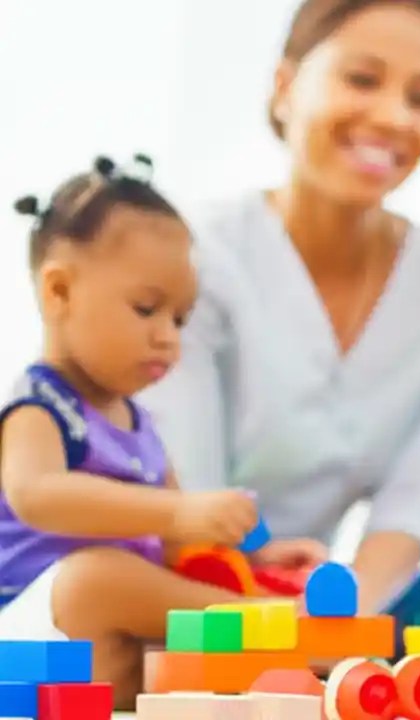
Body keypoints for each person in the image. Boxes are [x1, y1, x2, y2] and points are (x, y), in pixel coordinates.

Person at [140, 0, 420, 618]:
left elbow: (406, 515)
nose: (393, 116)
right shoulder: (194, 257)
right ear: (284, 88)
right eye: (362, 79)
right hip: (174, 598)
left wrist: (334, 619)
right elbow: (190, 500)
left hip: (318, 618)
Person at [0, 155, 320, 709]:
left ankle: (267, 645)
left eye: (180, 319)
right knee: (92, 578)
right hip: (27, 643)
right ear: (58, 293)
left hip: (114, 671)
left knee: (179, 602)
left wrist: (257, 559)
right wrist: (177, 511)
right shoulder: (38, 409)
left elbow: (179, 540)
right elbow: (36, 496)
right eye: (147, 309)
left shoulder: (142, 427)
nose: (169, 338)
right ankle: (261, 627)